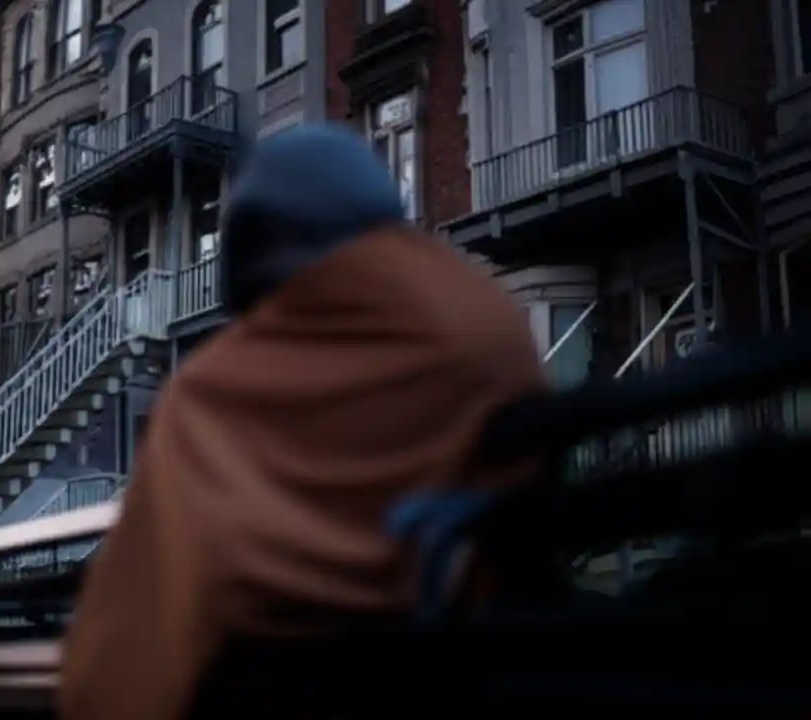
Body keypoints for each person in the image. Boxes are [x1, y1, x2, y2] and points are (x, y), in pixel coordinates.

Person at [59, 124, 546, 720]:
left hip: (294, 679)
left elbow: (125, 645)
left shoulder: (214, 393)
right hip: (479, 652)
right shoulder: (487, 321)